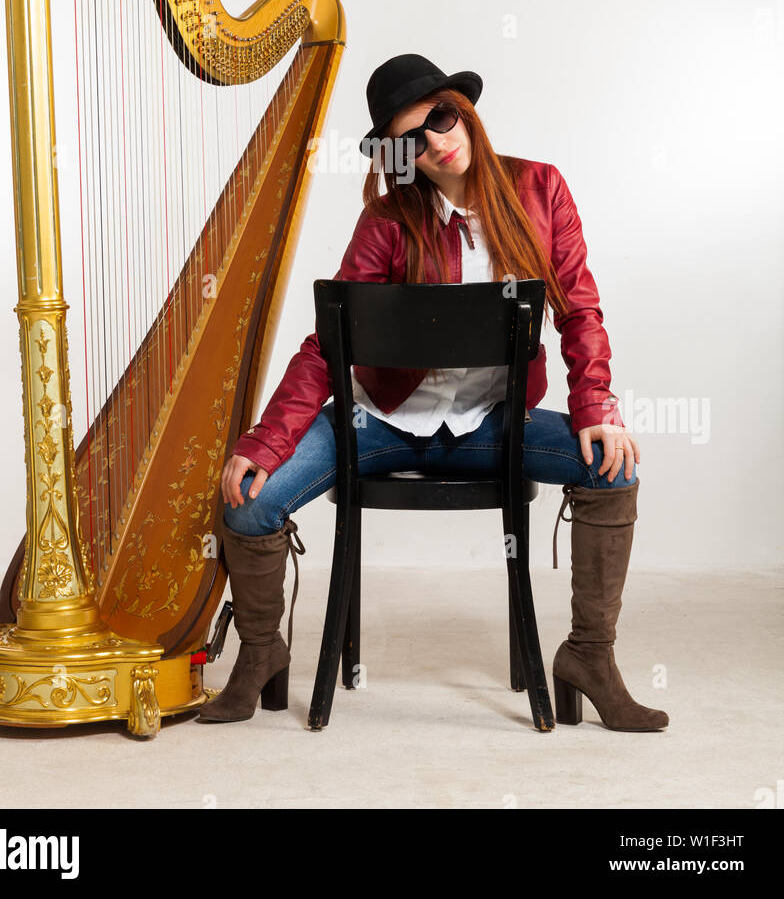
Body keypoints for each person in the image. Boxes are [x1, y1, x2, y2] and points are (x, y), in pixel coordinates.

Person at [197, 53, 669, 732]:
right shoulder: (389, 221)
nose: (437, 141)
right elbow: (327, 345)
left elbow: (580, 312)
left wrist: (597, 407)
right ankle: (262, 652)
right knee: (249, 499)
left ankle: (589, 657)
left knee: (613, 469)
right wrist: (267, 441)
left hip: (492, 427)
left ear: (463, 109)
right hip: (378, 423)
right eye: (413, 138)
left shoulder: (541, 189)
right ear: (399, 155)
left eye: (441, 118)